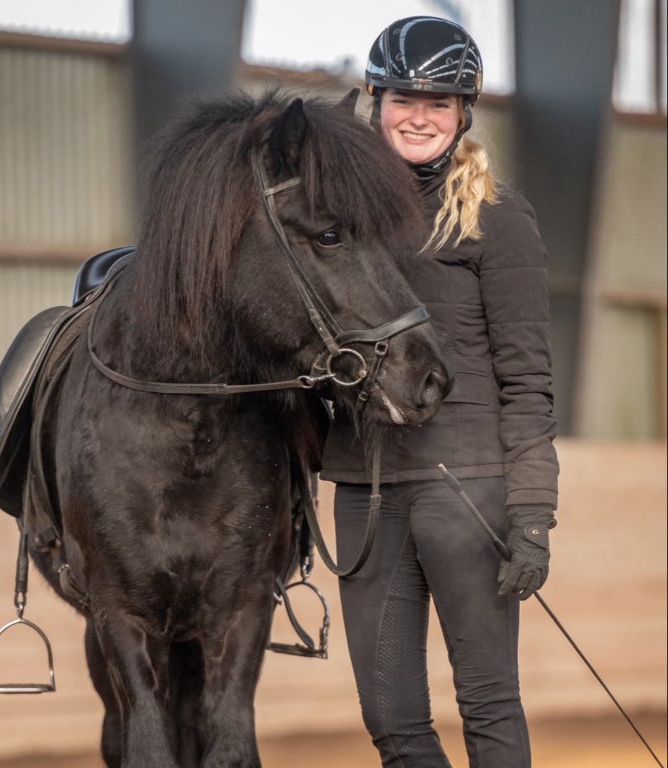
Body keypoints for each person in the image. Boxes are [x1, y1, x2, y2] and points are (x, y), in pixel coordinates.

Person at [319, 16, 559, 768]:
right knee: (391, 719)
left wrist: (532, 515)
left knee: (487, 706)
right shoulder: (340, 219)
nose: (419, 117)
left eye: (440, 104)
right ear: (374, 101)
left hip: (468, 492)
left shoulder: (497, 218)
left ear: (463, 116)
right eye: (403, 100)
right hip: (366, 489)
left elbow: (528, 379)